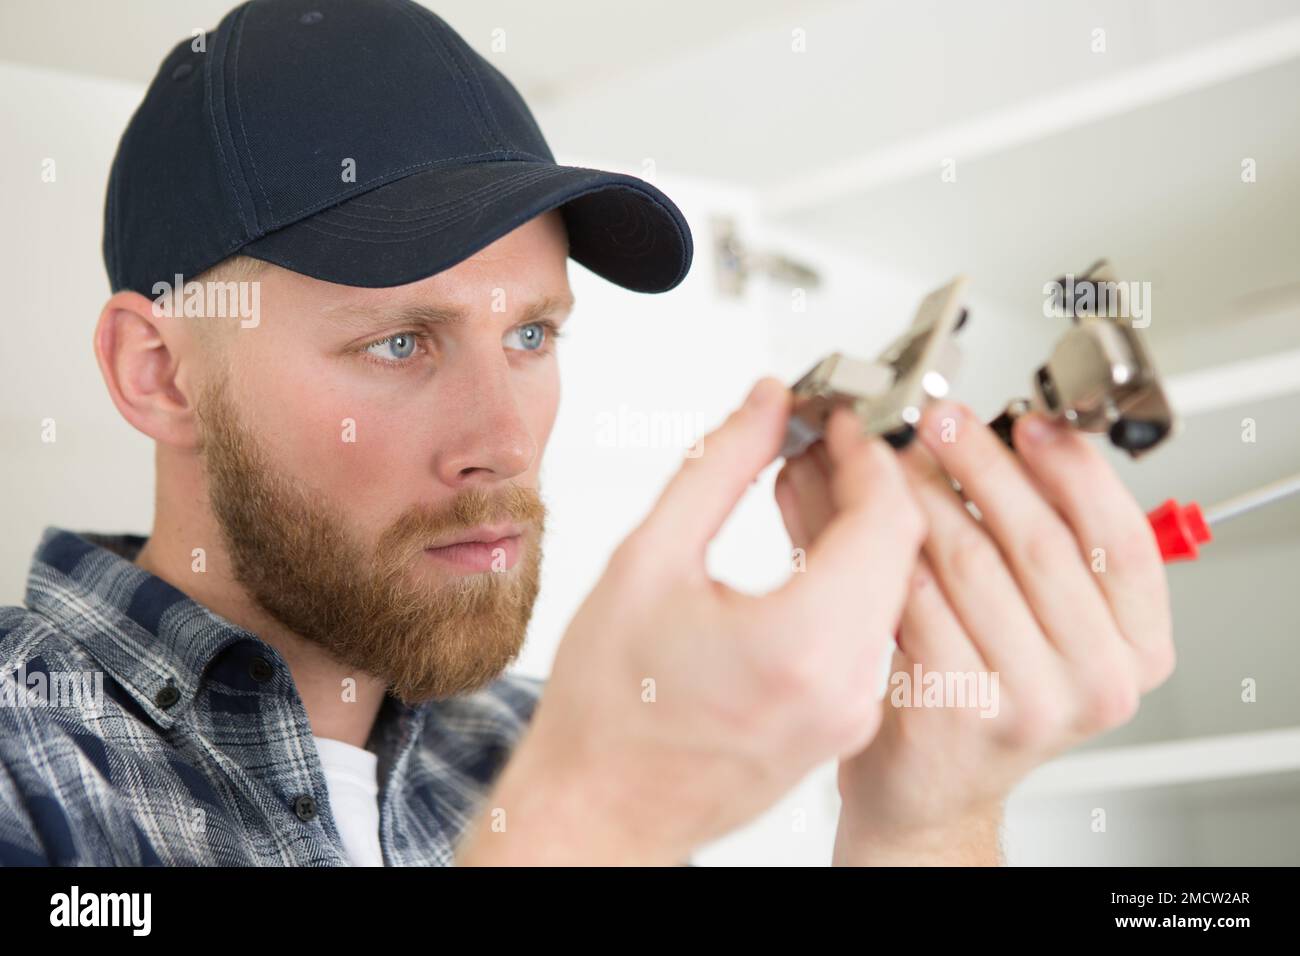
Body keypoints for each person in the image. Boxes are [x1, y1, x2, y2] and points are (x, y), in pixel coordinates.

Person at [0, 0, 1172, 866]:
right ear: (161, 374)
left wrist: (926, 817)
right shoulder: (26, 760)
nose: (502, 442)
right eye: (400, 342)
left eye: (532, 334)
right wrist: (596, 819)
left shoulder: (525, 745)